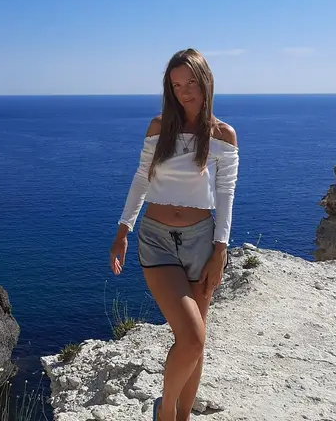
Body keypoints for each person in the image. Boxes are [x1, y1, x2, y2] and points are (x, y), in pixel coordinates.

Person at [109, 48, 239, 421]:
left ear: (206, 81)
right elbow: (141, 179)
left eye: (191, 82)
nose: (184, 92)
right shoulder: (158, 127)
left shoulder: (223, 135)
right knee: (192, 337)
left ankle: (183, 416)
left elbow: (226, 194)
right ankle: (165, 412)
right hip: (156, 239)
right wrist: (123, 230)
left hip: (202, 241)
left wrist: (220, 249)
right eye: (176, 85)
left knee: (195, 341)